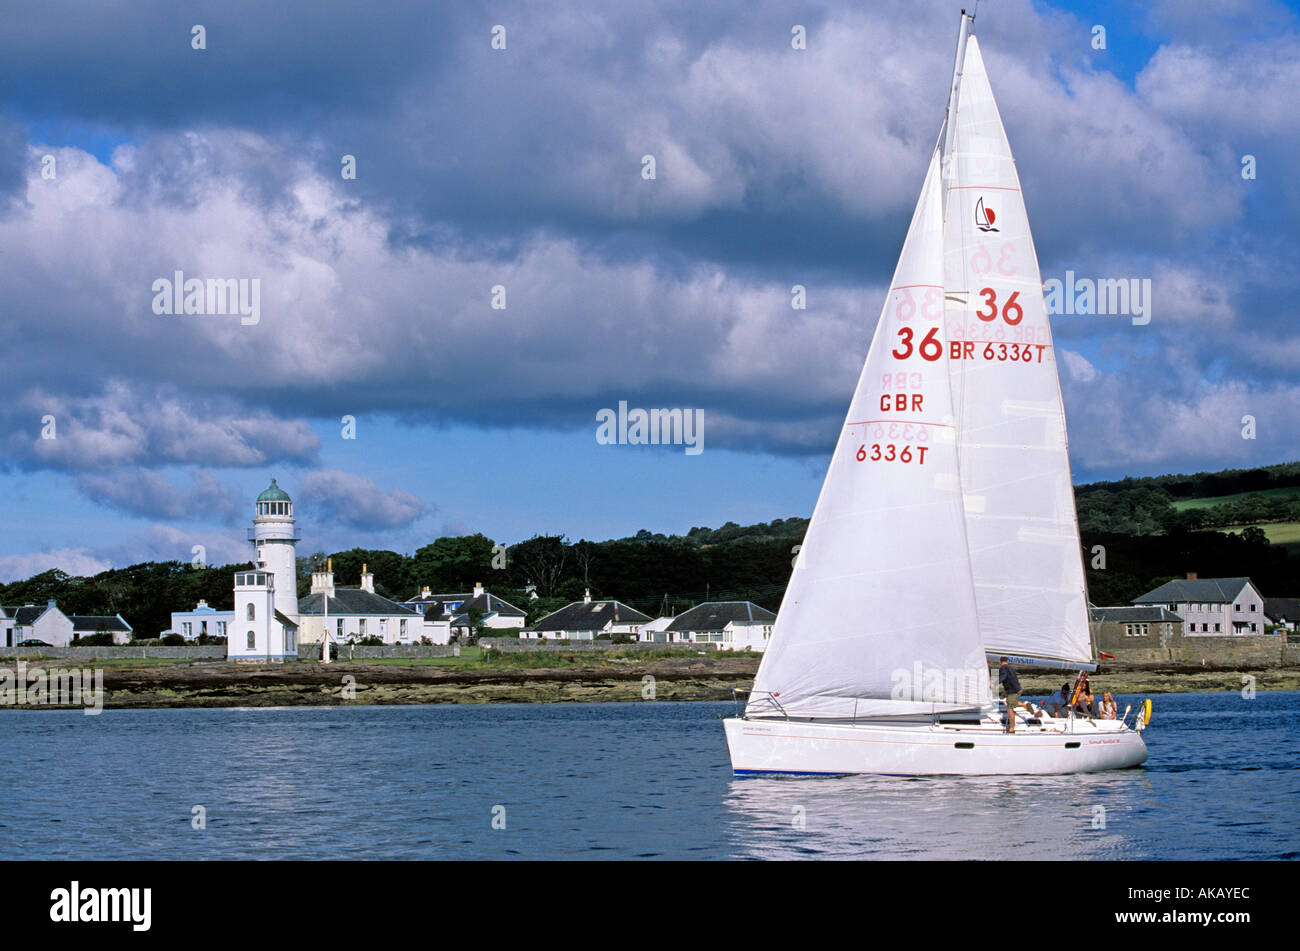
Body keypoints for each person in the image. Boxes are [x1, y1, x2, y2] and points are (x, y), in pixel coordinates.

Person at [998, 656, 1021, 733]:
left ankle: (1012, 728)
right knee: (1009, 703)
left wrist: (994, 684)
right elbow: (1011, 679)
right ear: (1007, 661)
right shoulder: (1011, 668)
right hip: (1016, 689)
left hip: (1012, 691)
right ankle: (1024, 705)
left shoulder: (1003, 668)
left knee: (1010, 708)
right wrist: (1005, 692)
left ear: (1000, 662)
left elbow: (1003, 677)